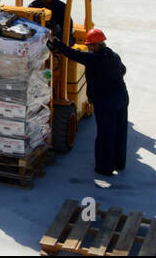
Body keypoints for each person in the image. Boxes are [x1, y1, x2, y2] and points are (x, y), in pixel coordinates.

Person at [47, 27, 129, 177]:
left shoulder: (95, 58)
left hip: (107, 101)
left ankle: (104, 169)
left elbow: (74, 54)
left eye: (91, 45)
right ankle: (119, 162)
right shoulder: (114, 56)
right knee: (120, 130)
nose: (89, 48)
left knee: (105, 134)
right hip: (122, 96)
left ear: (98, 44)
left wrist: (57, 43)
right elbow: (123, 70)